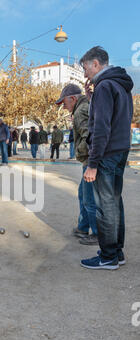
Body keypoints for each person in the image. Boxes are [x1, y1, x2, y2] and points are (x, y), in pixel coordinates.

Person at [79, 46, 133, 270]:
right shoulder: (119, 84)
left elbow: (101, 128)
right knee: (114, 202)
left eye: (85, 68)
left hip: (107, 153)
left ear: (95, 64)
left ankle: (108, 256)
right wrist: (92, 99)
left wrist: (92, 163)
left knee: (104, 206)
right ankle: (116, 252)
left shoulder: (104, 86)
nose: (84, 74)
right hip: (121, 149)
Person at [56, 83, 98, 246]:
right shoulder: (84, 107)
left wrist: (86, 158)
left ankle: (96, 233)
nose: (65, 108)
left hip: (89, 160)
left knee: (89, 198)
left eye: (65, 104)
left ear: (73, 98)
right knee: (83, 194)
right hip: (88, 160)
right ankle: (83, 227)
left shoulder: (80, 111)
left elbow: (90, 137)